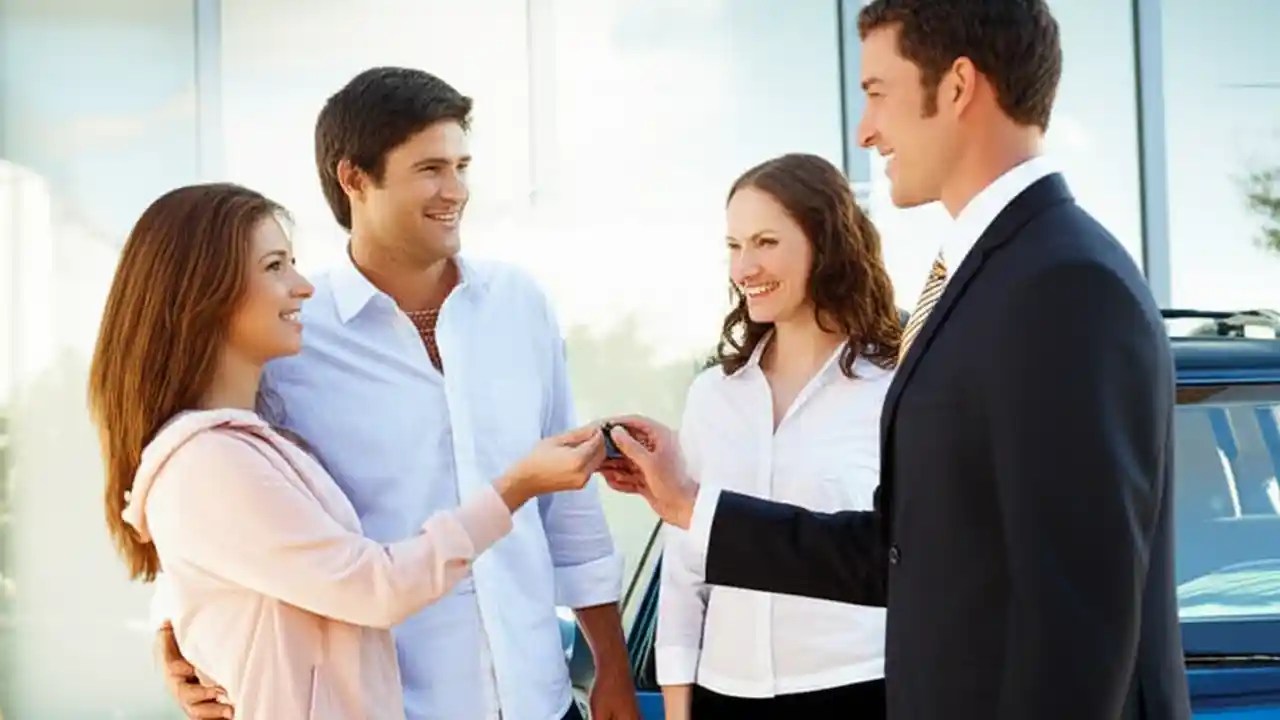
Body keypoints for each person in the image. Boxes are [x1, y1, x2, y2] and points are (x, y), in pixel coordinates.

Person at [602, 1, 1192, 718]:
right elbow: (903, 550)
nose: (865, 129)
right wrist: (689, 505)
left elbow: (1081, 611)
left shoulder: (1063, 283)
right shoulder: (989, 277)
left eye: (878, 92)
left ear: (956, 86)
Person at [154, 69, 638, 720]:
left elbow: (569, 514)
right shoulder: (291, 338)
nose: (457, 191)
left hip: (541, 700)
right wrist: (177, 639)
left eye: (463, 165)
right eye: (431, 168)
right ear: (354, 177)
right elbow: (228, 512)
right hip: (398, 704)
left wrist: (612, 668)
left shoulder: (519, 304)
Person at [88, 183, 608, 719]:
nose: (300, 286)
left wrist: (180, 623)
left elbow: (251, 555)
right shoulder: (212, 454)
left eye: (461, 164)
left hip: (529, 699)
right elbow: (371, 586)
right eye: (274, 266)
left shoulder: (518, 304)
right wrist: (515, 487)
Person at [657, 153, 899, 720]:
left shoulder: (893, 388)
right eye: (734, 246)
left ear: (826, 242)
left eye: (765, 242)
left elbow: (909, 556)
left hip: (859, 690)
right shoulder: (713, 394)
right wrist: (676, 707)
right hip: (723, 695)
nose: (744, 267)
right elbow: (685, 565)